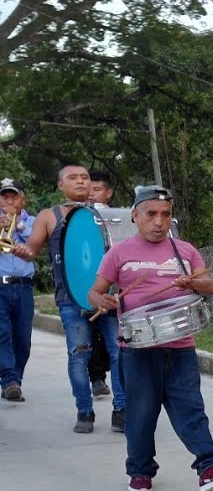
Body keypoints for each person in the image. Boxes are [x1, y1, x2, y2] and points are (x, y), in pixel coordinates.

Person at [87, 185, 213, 491]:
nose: (158, 222)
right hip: (138, 348)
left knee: (191, 408)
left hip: (180, 344)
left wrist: (192, 280)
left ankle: (210, 466)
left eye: (165, 215)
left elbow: (208, 285)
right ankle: (140, 470)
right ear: (135, 216)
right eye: (151, 214)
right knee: (141, 414)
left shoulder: (183, 250)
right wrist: (102, 301)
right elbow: (94, 292)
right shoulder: (119, 253)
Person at [13, 164, 126, 433]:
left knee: (119, 353)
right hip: (70, 299)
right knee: (78, 355)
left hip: (108, 298)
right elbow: (32, 250)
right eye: (72, 178)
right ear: (60, 185)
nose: (80, 182)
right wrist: (21, 251)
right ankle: (84, 412)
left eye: (84, 178)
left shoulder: (108, 214)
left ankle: (121, 410)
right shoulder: (48, 216)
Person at [0, 178, 35, 402]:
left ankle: (15, 380)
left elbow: (34, 244)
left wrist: (17, 224)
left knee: (22, 338)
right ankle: (9, 379)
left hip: (24, 287)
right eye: (5, 197)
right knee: (1, 333)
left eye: (14, 197)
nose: (9, 201)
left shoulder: (33, 221)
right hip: (0, 285)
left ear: (22, 199)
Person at [86, 168, 116, 399]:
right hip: (86, 287)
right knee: (90, 339)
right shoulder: (78, 217)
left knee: (113, 342)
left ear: (109, 193)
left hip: (113, 288)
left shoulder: (120, 217)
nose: (91, 193)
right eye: (88, 189)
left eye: (97, 189)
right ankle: (96, 379)